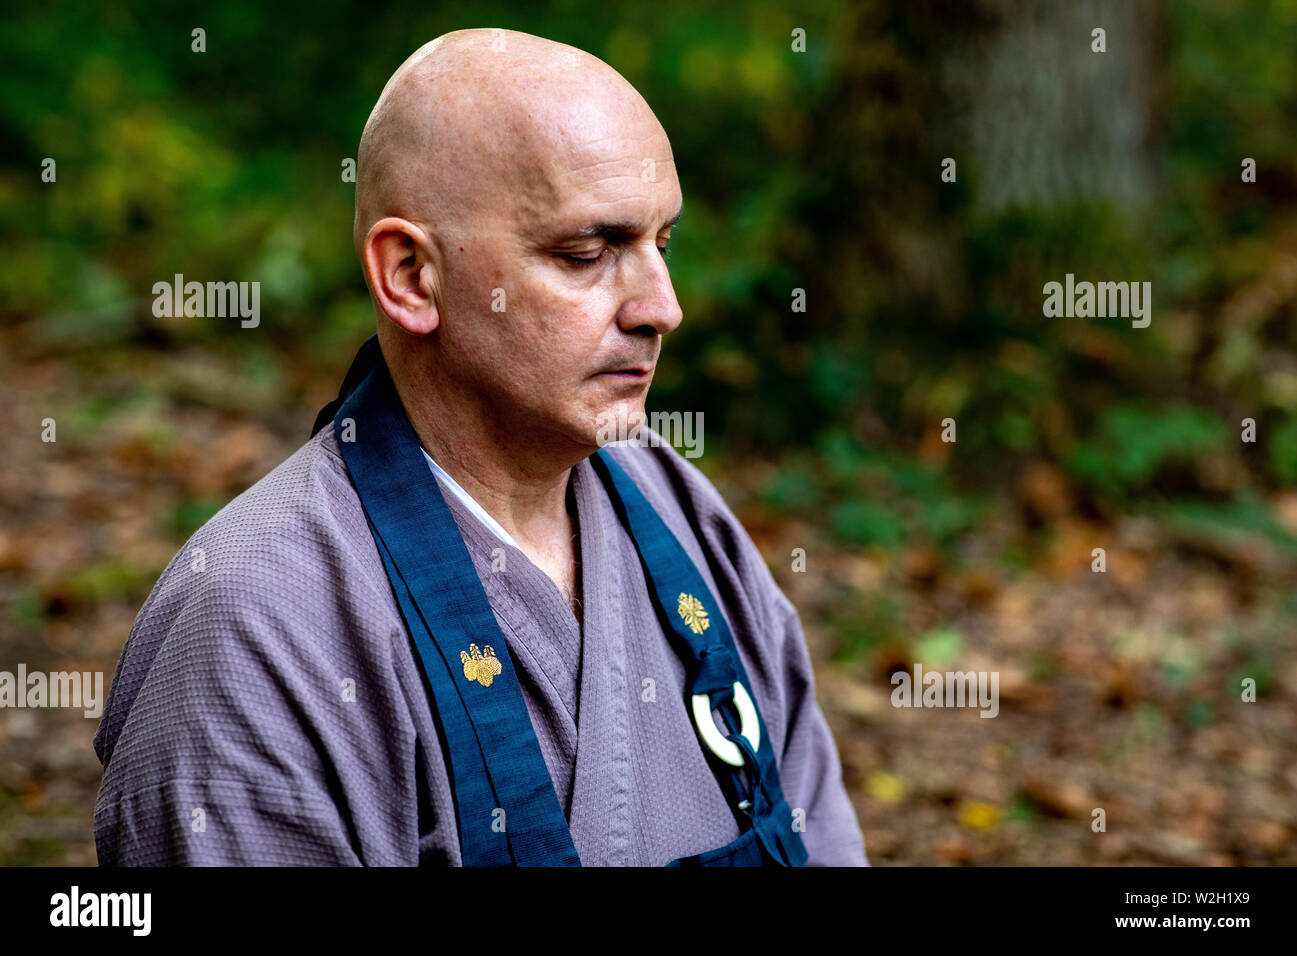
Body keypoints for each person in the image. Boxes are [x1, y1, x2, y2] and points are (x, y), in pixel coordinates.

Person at [92, 28, 869, 867]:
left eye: (663, 245)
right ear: (412, 277)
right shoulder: (256, 624)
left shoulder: (680, 513)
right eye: (587, 253)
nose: (662, 307)